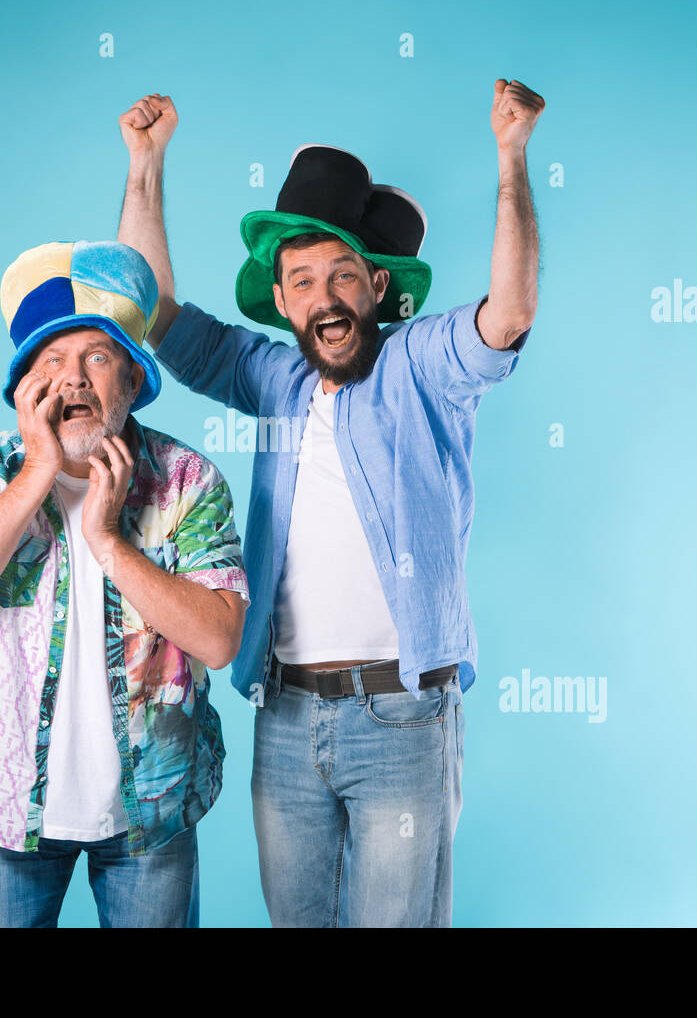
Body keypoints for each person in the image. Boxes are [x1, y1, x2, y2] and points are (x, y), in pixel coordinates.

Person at [114, 81, 544, 927]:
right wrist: (145, 168)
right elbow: (150, 313)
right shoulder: (270, 376)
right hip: (286, 716)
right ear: (281, 302)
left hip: (402, 719)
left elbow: (510, 313)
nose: (324, 297)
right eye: (303, 281)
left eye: (342, 275)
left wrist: (511, 158)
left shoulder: (422, 366)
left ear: (376, 286)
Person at [0, 239, 249, 928]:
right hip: (10, 806)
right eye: (52, 360)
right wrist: (36, 473)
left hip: (150, 813)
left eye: (97, 357)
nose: (74, 380)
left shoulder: (187, 481)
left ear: (131, 379)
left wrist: (106, 539)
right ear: (24, 386)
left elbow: (218, 640)